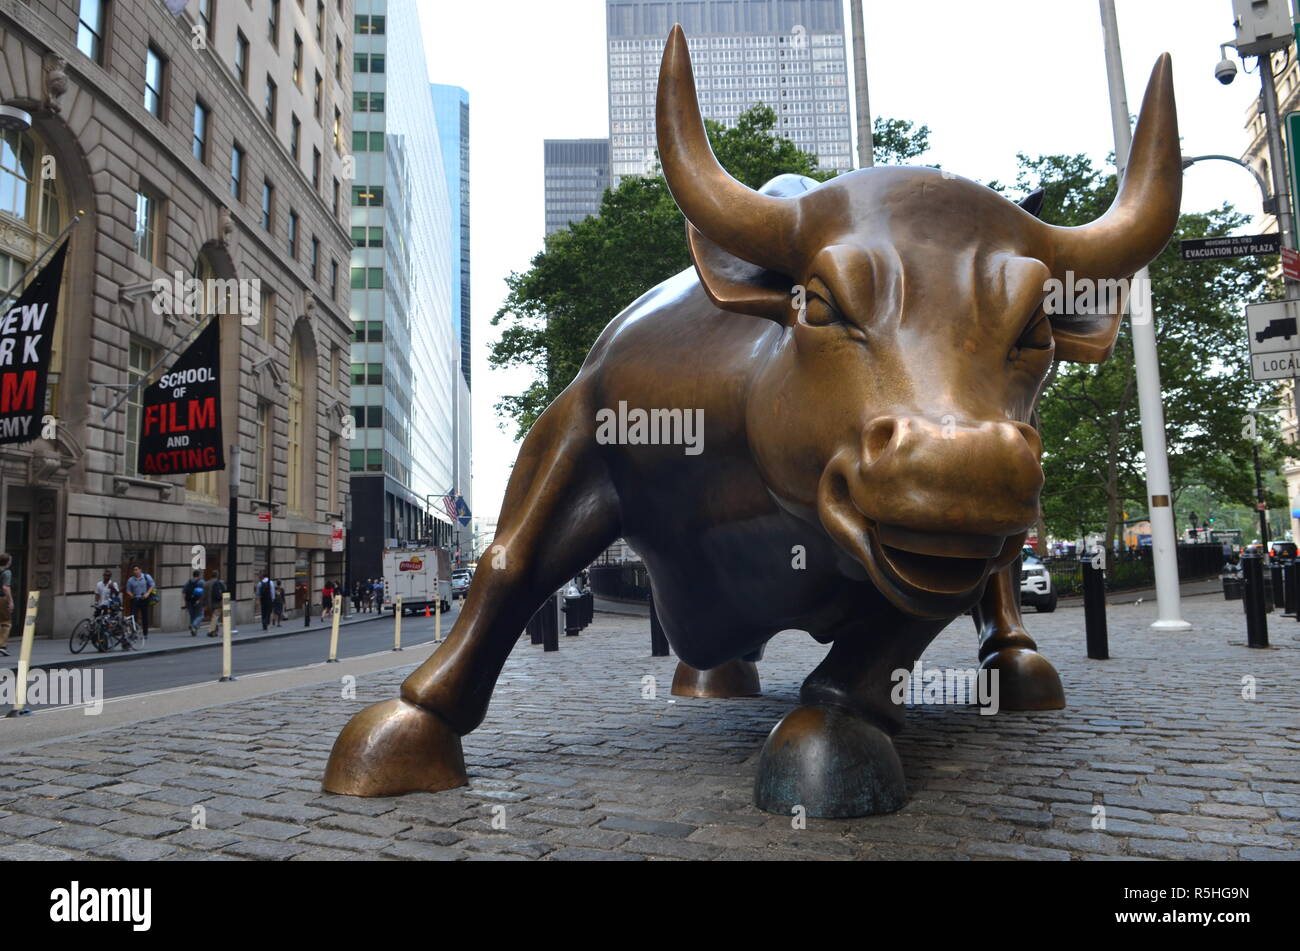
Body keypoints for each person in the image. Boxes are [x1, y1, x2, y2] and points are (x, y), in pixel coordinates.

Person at [125, 565, 156, 640]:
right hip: (135, 599)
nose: (135, 571)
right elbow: (128, 590)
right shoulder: (130, 580)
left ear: (140, 570)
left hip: (144, 599)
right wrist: (131, 595)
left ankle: (145, 633)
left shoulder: (146, 577)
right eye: (134, 570)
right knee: (133, 617)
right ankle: (134, 633)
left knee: (145, 616)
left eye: (137, 569)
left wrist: (147, 593)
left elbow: (152, 585)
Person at [182, 570, 206, 637]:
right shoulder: (201, 582)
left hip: (189, 601)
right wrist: (201, 600)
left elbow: (184, 592)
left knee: (192, 616)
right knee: (200, 615)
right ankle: (193, 625)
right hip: (198, 601)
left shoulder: (188, 582)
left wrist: (186, 601)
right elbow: (204, 592)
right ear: (199, 575)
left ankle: (193, 631)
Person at [205, 569, 226, 637]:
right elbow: (225, 592)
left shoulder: (207, 583)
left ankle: (214, 632)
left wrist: (203, 603)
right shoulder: (220, 583)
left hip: (209, 604)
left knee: (214, 617)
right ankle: (211, 630)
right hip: (218, 603)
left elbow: (204, 594)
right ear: (217, 575)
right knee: (215, 617)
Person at [0, 553, 13, 657]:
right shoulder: (7, 573)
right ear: (7, 562)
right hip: (2, 598)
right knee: (6, 622)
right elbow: (5, 587)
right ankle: (2, 646)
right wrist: (10, 601)